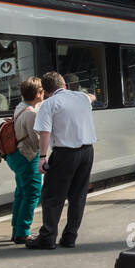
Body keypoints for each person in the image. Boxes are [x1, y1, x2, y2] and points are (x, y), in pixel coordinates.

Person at [28, 71, 96, 249]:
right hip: (87, 152)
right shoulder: (82, 97)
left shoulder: (49, 103)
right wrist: (89, 97)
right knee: (78, 196)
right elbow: (92, 97)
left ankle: (47, 237)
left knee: (52, 196)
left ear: (46, 90)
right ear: (64, 85)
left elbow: (44, 133)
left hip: (65, 154)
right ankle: (70, 237)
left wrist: (42, 158)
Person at [7, 77, 44, 245]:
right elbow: (36, 140)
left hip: (15, 155)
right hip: (27, 156)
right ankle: (23, 232)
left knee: (21, 192)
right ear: (38, 94)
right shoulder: (31, 114)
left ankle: (16, 229)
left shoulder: (20, 107)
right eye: (42, 91)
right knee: (32, 193)